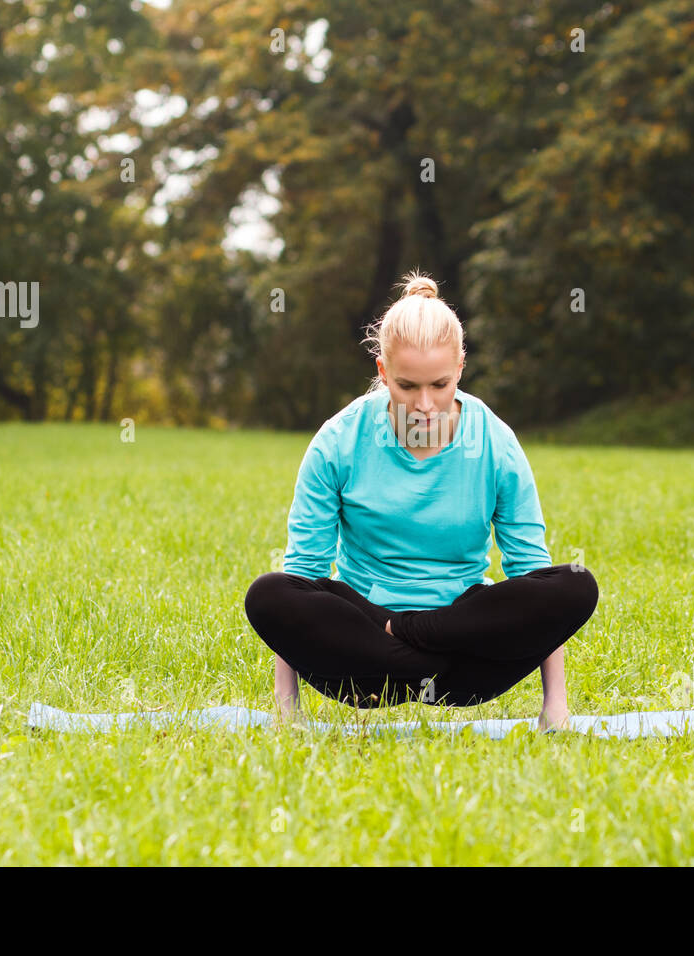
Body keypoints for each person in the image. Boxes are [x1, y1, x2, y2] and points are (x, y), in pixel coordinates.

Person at [243, 270, 598, 731]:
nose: (426, 405)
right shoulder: (338, 441)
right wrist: (286, 712)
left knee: (575, 584)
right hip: (365, 660)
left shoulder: (495, 442)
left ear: (461, 369)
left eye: (441, 385)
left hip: (466, 657)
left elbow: (530, 570)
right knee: (268, 594)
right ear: (383, 372)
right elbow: (303, 574)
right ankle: (410, 650)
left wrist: (556, 708)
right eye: (407, 387)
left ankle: (413, 639)